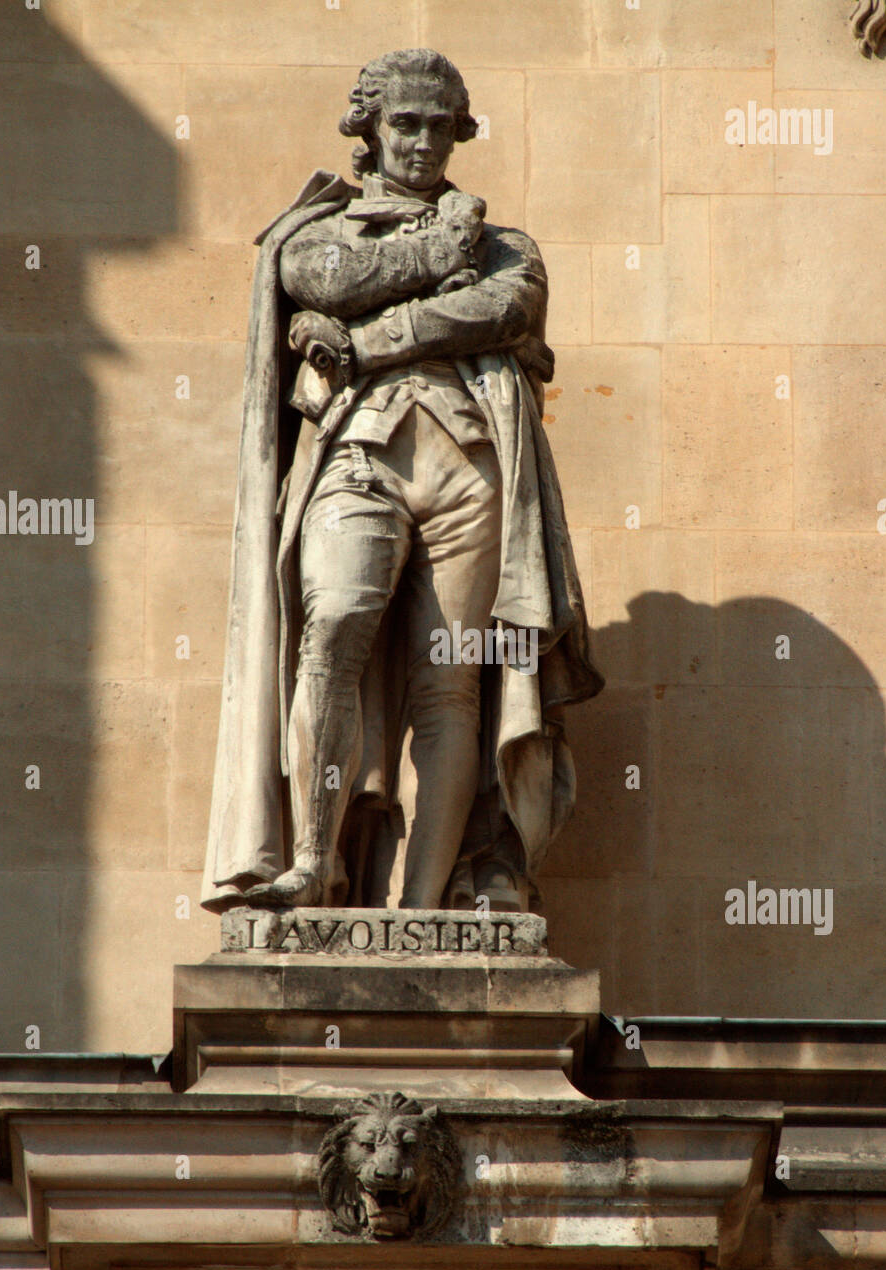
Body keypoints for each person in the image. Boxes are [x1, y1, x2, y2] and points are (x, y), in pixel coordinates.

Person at [201, 48, 602, 915]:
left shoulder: (509, 248)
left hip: (472, 467)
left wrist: (367, 340)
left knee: (451, 678)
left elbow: (504, 308)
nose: (421, 143)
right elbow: (323, 278)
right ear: (370, 129)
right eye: (403, 124)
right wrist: (442, 245)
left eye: (438, 126)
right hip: (358, 458)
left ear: (460, 131)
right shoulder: (317, 234)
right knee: (334, 623)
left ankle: (424, 907)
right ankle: (314, 859)